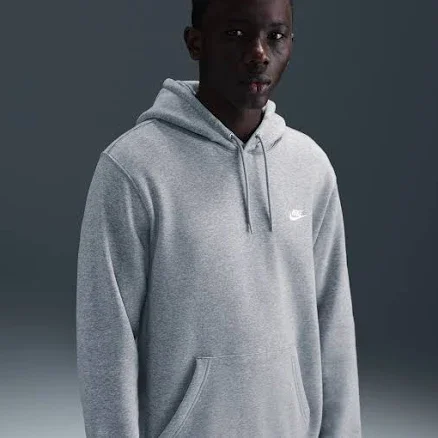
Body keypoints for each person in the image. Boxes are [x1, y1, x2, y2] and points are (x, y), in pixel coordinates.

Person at [76, 0, 362, 436]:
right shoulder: (133, 169)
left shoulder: (310, 168)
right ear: (196, 43)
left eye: (275, 36)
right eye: (236, 34)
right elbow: (106, 339)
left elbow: (334, 322)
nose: (259, 53)